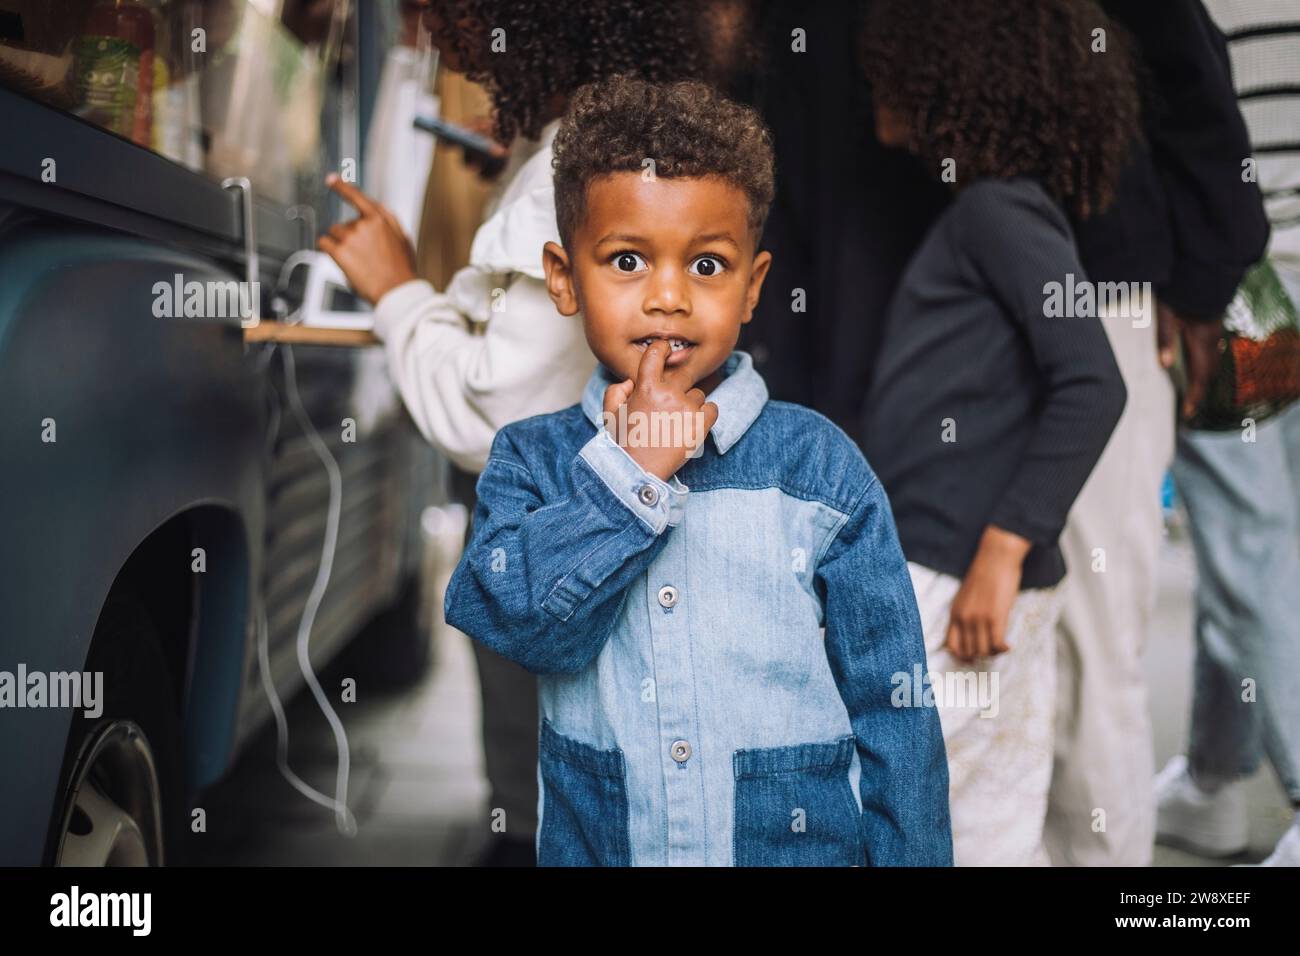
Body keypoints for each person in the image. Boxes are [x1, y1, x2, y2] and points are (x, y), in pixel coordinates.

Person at [443, 76, 953, 866]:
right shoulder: (530, 461)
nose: (670, 297)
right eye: (626, 260)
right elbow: (512, 622)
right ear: (563, 278)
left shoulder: (820, 472)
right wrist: (629, 476)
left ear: (752, 286)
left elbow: (896, 712)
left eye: (708, 265)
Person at [317, 0, 711, 865]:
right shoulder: (588, 146)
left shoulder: (571, 166)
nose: (434, 42)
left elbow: (492, 420)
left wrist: (395, 290)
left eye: (444, 23)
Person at [859, 0, 1134, 865]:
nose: (874, 87)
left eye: (891, 66)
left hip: (961, 583)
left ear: (954, 78)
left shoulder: (999, 215)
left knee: (908, 812)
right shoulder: (1004, 213)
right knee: (985, 828)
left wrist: (1001, 551)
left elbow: (1093, 384)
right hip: (973, 580)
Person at [1155, 0, 1300, 867]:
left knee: (1252, 551)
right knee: (1257, 548)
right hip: (1267, 270)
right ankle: (1215, 774)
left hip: (1240, 285)